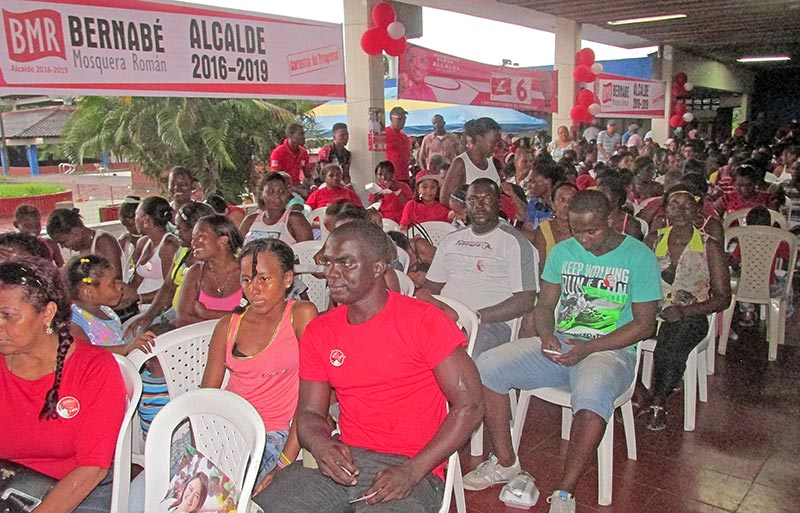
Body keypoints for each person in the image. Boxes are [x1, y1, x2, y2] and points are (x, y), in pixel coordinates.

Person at [252, 220, 484, 513]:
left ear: (377, 268)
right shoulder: (321, 331)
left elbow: (471, 405)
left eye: (346, 263)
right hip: (348, 462)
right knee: (263, 506)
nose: (331, 274)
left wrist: (413, 471)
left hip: (413, 469)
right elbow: (310, 413)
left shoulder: (423, 321)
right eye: (329, 263)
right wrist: (322, 445)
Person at [464, 190, 660, 513]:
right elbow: (545, 306)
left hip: (610, 351)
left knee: (593, 389)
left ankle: (565, 491)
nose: (582, 239)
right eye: (576, 230)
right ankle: (505, 462)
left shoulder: (638, 257)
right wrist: (545, 335)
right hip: (561, 343)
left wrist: (590, 347)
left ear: (610, 220)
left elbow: (644, 325)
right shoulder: (563, 252)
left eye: (591, 231)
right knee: (487, 365)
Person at [0, 258, 126, 513]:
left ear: (47, 312)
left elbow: (93, 468)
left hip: (78, 493)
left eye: (7, 315)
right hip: (8, 485)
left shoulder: (93, 369)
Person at [201, 239, 318, 493]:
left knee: (228, 493)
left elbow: (311, 398)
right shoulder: (227, 326)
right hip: (228, 427)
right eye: (246, 280)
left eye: (264, 279)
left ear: (288, 279)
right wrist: (204, 439)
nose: (254, 289)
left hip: (272, 432)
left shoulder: (301, 316)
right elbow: (206, 397)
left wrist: (284, 462)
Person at [637, 186, 731, 430]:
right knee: (613, 329)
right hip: (653, 312)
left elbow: (723, 298)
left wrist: (684, 311)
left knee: (674, 335)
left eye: (687, 205)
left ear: (697, 210)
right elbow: (637, 280)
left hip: (692, 315)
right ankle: (638, 393)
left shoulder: (709, 246)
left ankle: (659, 401)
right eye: (674, 205)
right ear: (666, 209)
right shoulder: (653, 240)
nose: (680, 210)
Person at [418, 178, 538, 358]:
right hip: (445, 317)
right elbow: (432, 286)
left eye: (486, 199)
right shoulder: (451, 240)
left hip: (490, 323)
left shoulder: (515, 243)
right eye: (473, 200)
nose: (479, 206)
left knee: (457, 356)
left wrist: (475, 317)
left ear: (499, 203)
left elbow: (525, 300)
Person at [125, 202, 217, 336]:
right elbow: (168, 286)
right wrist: (149, 315)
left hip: (196, 323)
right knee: (134, 332)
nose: (176, 232)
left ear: (196, 230)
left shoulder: (212, 261)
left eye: (180, 229)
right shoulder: (183, 252)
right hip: (174, 315)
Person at [66, 255, 156, 355]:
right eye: (112, 284)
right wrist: (125, 348)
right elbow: (85, 352)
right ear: (89, 292)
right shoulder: (74, 321)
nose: (119, 286)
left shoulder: (103, 308)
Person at [440, 117, 517, 221]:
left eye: (498, 143)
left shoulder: (492, 162)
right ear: (479, 138)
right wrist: (467, 211)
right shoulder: (461, 163)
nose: (496, 147)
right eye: (493, 142)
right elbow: (444, 199)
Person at [176, 214, 243, 326]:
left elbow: (253, 317)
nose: (194, 243)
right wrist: (228, 320)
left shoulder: (247, 272)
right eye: (193, 238)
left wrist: (207, 314)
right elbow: (183, 318)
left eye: (201, 237)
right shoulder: (196, 273)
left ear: (222, 240)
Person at [128, 196, 181, 305]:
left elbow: (170, 290)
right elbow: (136, 281)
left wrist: (138, 299)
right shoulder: (143, 242)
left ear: (146, 219)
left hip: (156, 309)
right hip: (139, 306)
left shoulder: (169, 246)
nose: (135, 220)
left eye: (136, 215)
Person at [46, 208, 124, 280]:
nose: (62, 247)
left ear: (75, 234)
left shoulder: (104, 242)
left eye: (63, 242)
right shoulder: (80, 249)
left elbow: (115, 280)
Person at [241, 172, 313, 246]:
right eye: (271, 192)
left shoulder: (295, 219)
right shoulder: (250, 221)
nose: (277, 196)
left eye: (282, 191)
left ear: (287, 194)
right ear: (261, 194)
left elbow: (308, 252)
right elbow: (237, 249)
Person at [532, 182, 579, 272]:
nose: (567, 205)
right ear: (553, 204)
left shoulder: (585, 230)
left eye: (571, 200)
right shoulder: (544, 229)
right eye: (561, 200)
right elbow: (542, 268)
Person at [596, 174, 644, 240]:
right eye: (599, 193)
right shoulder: (593, 219)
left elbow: (635, 247)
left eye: (606, 192)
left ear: (618, 196)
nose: (601, 197)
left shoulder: (630, 224)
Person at [117, 196, 142, 282]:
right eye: (125, 226)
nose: (128, 229)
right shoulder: (125, 239)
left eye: (130, 225)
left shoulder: (150, 239)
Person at [385, 106, 413, 184]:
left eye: (404, 119)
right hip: (391, 177)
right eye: (400, 118)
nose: (403, 121)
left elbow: (408, 155)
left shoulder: (404, 136)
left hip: (404, 175)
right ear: (391, 118)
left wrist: (410, 159)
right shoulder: (384, 134)